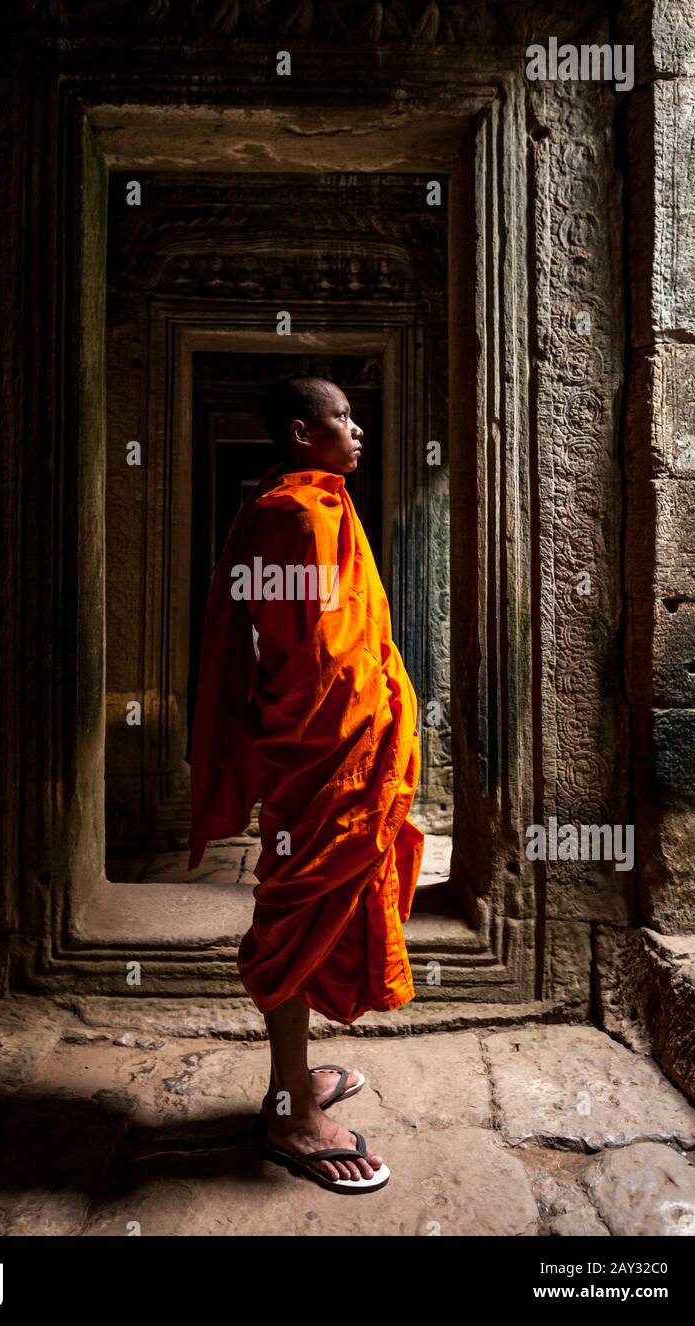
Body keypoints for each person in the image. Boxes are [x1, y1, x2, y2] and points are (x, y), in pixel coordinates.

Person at [188, 375, 424, 1193]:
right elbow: (319, 652)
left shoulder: (317, 503)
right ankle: (292, 1116)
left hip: (334, 743)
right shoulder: (293, 514)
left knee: (319, 900)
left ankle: (294, 1077)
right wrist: (366, 719)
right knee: (295, 907)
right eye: (343, 420)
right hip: (321, 746)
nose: (359, 432)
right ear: (299, 432)